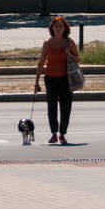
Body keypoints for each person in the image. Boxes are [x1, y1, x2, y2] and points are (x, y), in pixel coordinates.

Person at [34, 15, 80, 145]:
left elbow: (78, 59)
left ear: (65, 28)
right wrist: (36, 81)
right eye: (56, 26)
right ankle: (54, 134)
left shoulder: (69, 42)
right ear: (52, 28)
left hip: (66, 79)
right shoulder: (47, 43)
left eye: (60, 26)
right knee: (52, 107)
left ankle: (62, 134)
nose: (58, 28)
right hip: (50, 79)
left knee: (66, 108)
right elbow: (41, 62)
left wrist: (69, 54)